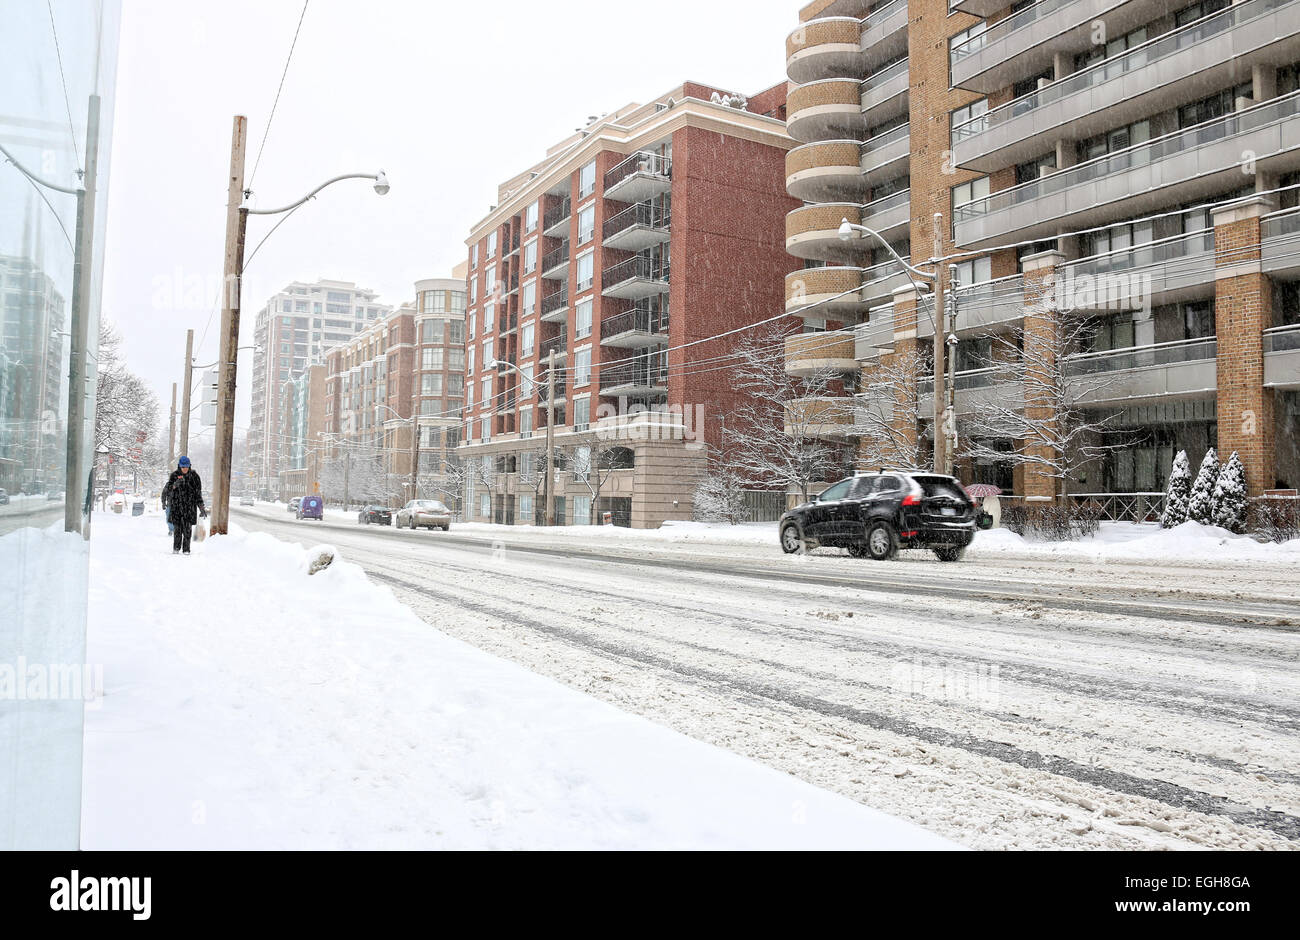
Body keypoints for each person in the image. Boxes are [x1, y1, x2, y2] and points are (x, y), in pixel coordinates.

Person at [161, 456, 206, 554]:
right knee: (177, 530)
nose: (185, 469)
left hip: (189, 508)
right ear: (179, 466)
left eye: (186, 467)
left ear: (189, 466)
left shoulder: (194, 477)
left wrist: (201, 507)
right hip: (176, 507)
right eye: (183, 467)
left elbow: (198, 494)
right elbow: (167, 490)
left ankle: (186, 550)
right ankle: (176, 548)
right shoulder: (174, 475)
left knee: (187, 530)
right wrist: (174, 485)